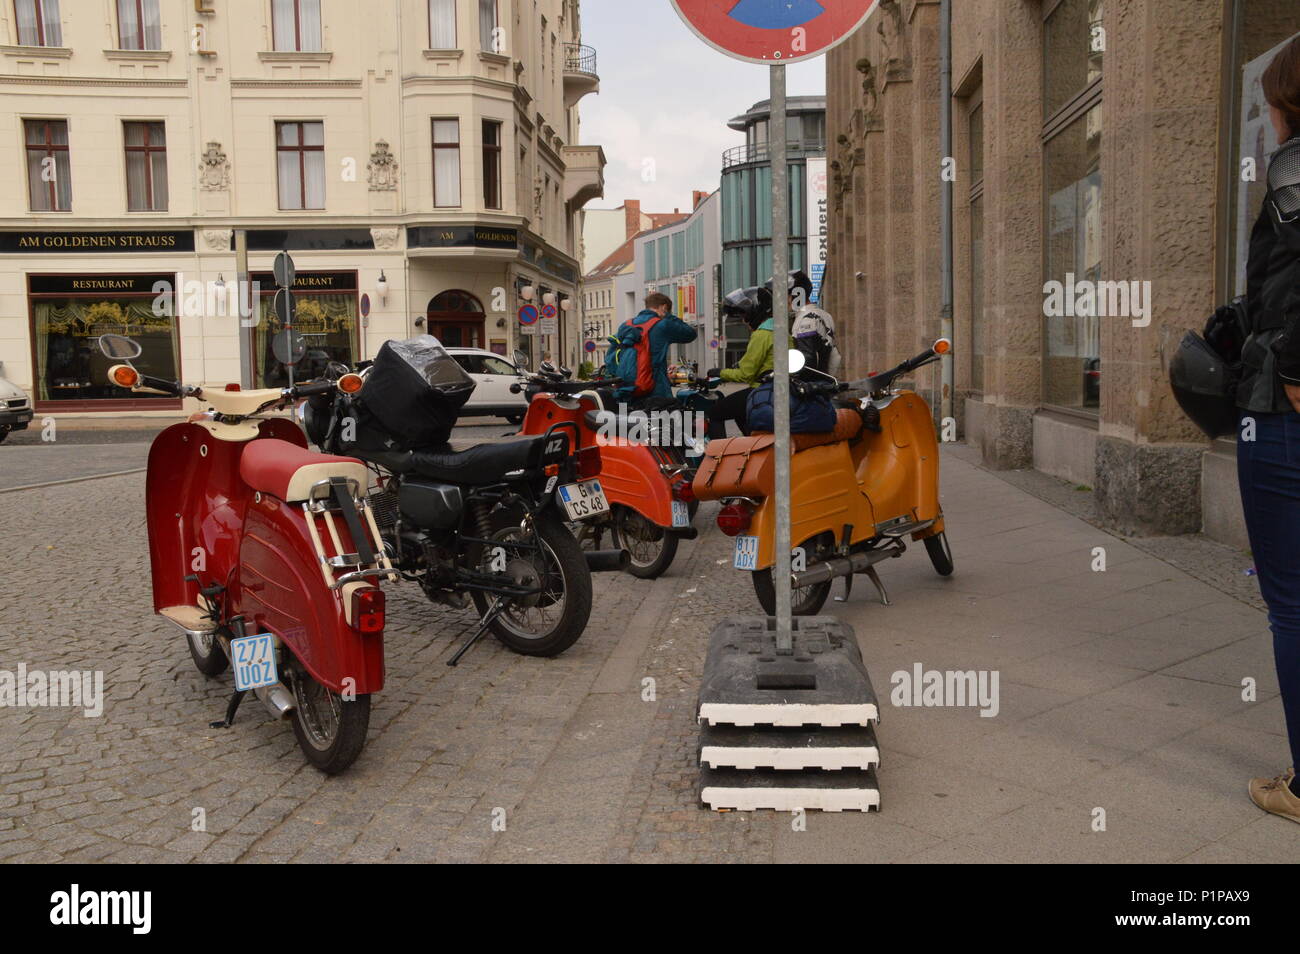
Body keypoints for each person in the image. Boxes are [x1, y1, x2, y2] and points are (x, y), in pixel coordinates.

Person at [1237, 34, 1300, 824]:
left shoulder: (1294, 168)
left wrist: (1289, 374)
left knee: (1291, 602)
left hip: (1283, 418)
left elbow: (1290, 293)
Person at [704, 286, 779, 439]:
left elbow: (746, 374)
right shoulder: (780, 330)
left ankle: (720, 455)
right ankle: (750, 446)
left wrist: (719, 372)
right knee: (738, 411)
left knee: (714, 413)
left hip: (764, 390)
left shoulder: (762, 335)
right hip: (778, 388)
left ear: (756, 311)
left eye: (745, 316)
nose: (744, 321)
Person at [604, 292, 697, 404]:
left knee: (629, 420)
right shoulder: (662, 325)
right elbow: (690, 334)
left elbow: (610, 359)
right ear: (664, 307)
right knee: (667, 419)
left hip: (626, 391)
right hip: (655, 391)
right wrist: (668, 315)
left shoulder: (626, 325)